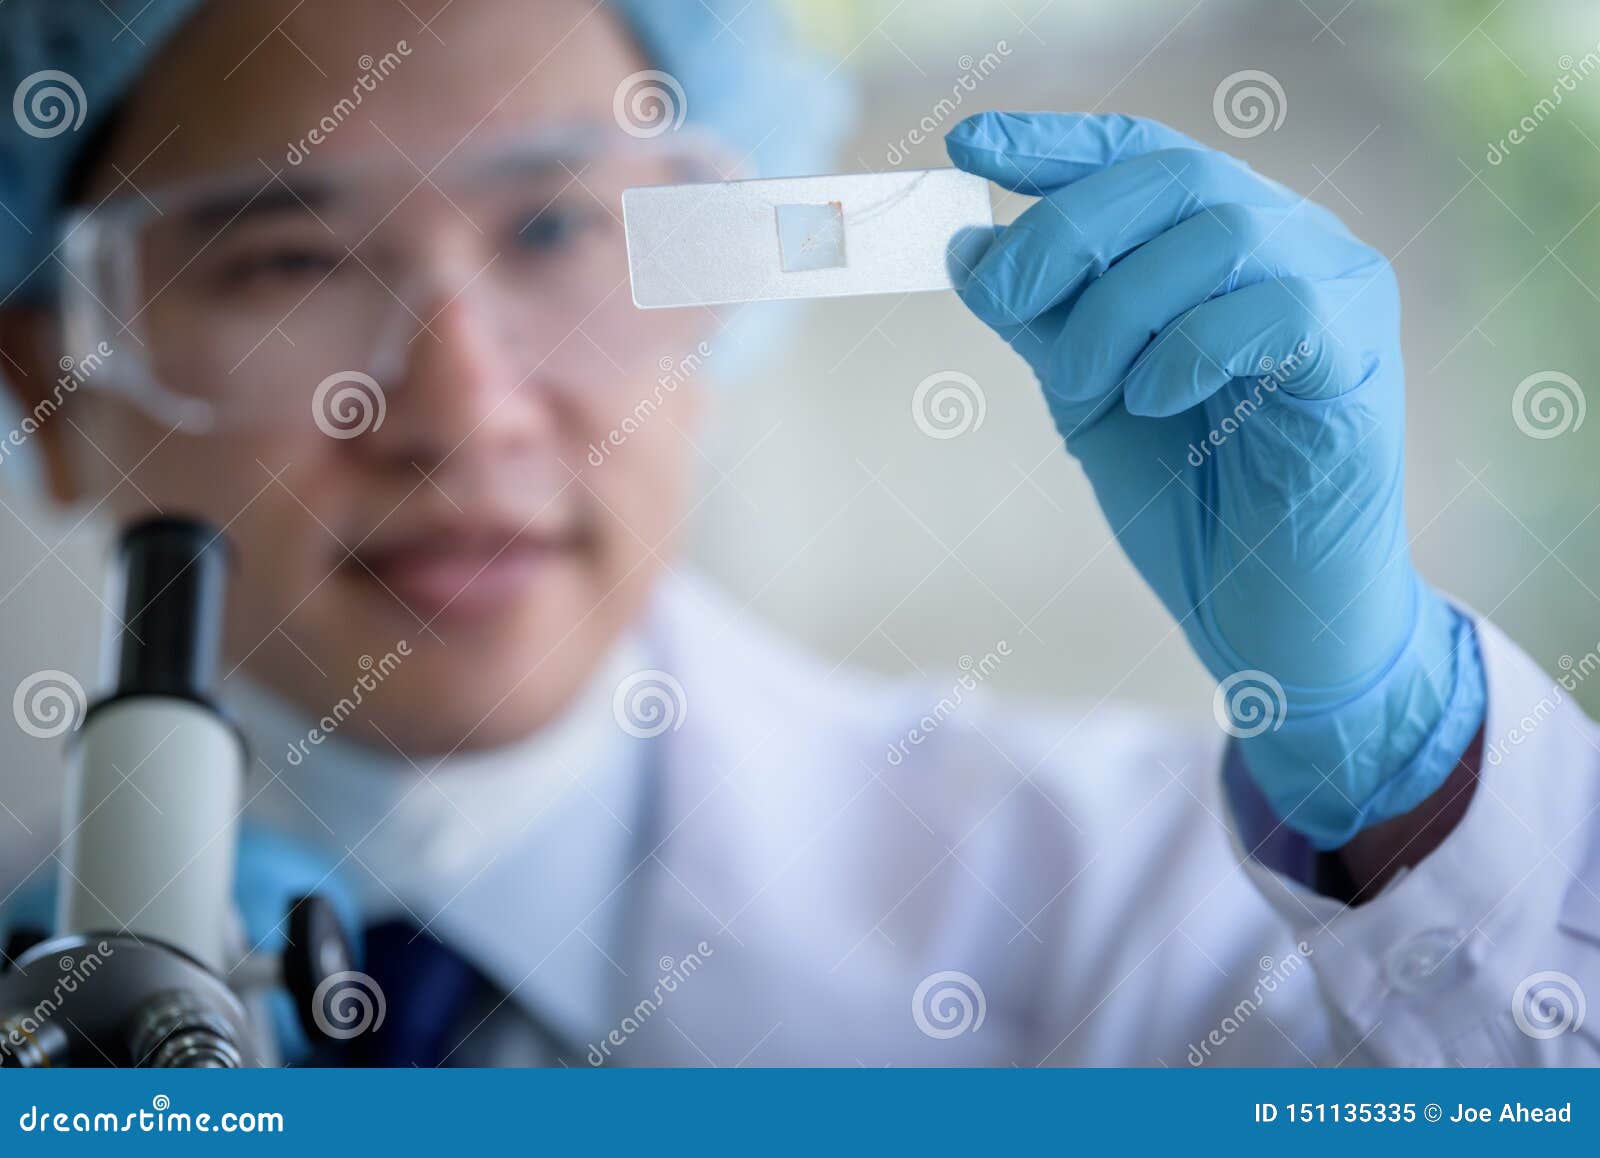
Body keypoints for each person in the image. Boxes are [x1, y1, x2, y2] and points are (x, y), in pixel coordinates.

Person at [0, 0, 1593, 1067]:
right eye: (287, 262)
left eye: (561, 230)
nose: (463, 406)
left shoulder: (1131, 911)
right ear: (50, 382)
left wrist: (1405, 788)